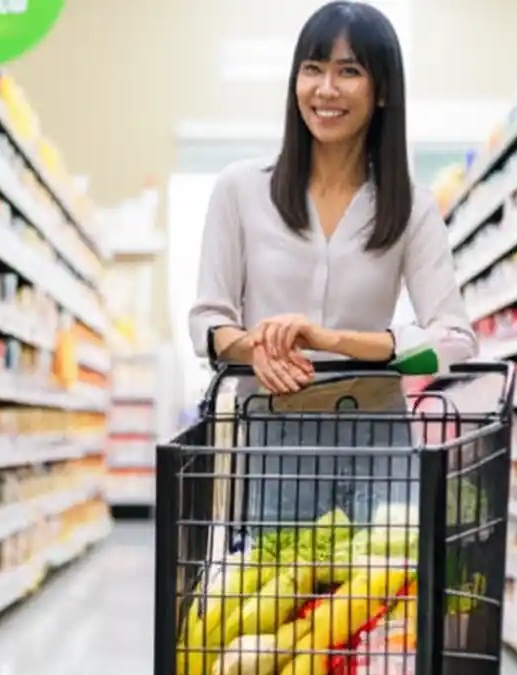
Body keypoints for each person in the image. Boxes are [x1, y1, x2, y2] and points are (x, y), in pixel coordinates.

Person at [187, 1, 477, 522]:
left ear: (382, 90)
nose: (325, 89)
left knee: (380, 600)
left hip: (379, 442)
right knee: (284, 597)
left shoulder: (410, 205)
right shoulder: (241, 190)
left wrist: (331, 341)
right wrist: (258, 351)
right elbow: (208, 322)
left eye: (349, 72)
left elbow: (454, 340)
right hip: (276, 438)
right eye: (313, 69)